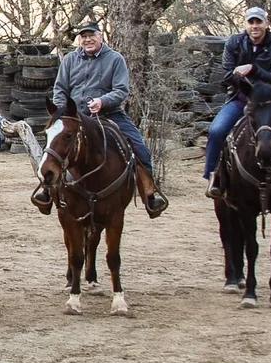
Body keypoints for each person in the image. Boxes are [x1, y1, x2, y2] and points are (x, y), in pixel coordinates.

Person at [33, 21, 169, 218]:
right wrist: (62, 112)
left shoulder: (115, 59)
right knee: (55, 147)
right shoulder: (70, 60)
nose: (87, 40)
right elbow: (60, 89)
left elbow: (121, 90)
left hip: (108, 114)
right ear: (80, 39)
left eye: (91, 35)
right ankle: (45, 191)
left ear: (100, 37)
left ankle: (150, 195)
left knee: (139, 146)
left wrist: (102, 101)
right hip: (76, 115)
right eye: (83, 36)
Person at [203, 6, 271, 205]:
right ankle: (214, 178)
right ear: (245, 24)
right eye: (251, 22)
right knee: (217, 130)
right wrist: (246, 86)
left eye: (258, 22)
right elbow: (227, 74)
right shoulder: (234, 43)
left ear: (266, 24)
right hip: (242, 98)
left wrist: (253, 69)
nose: (255, 26)